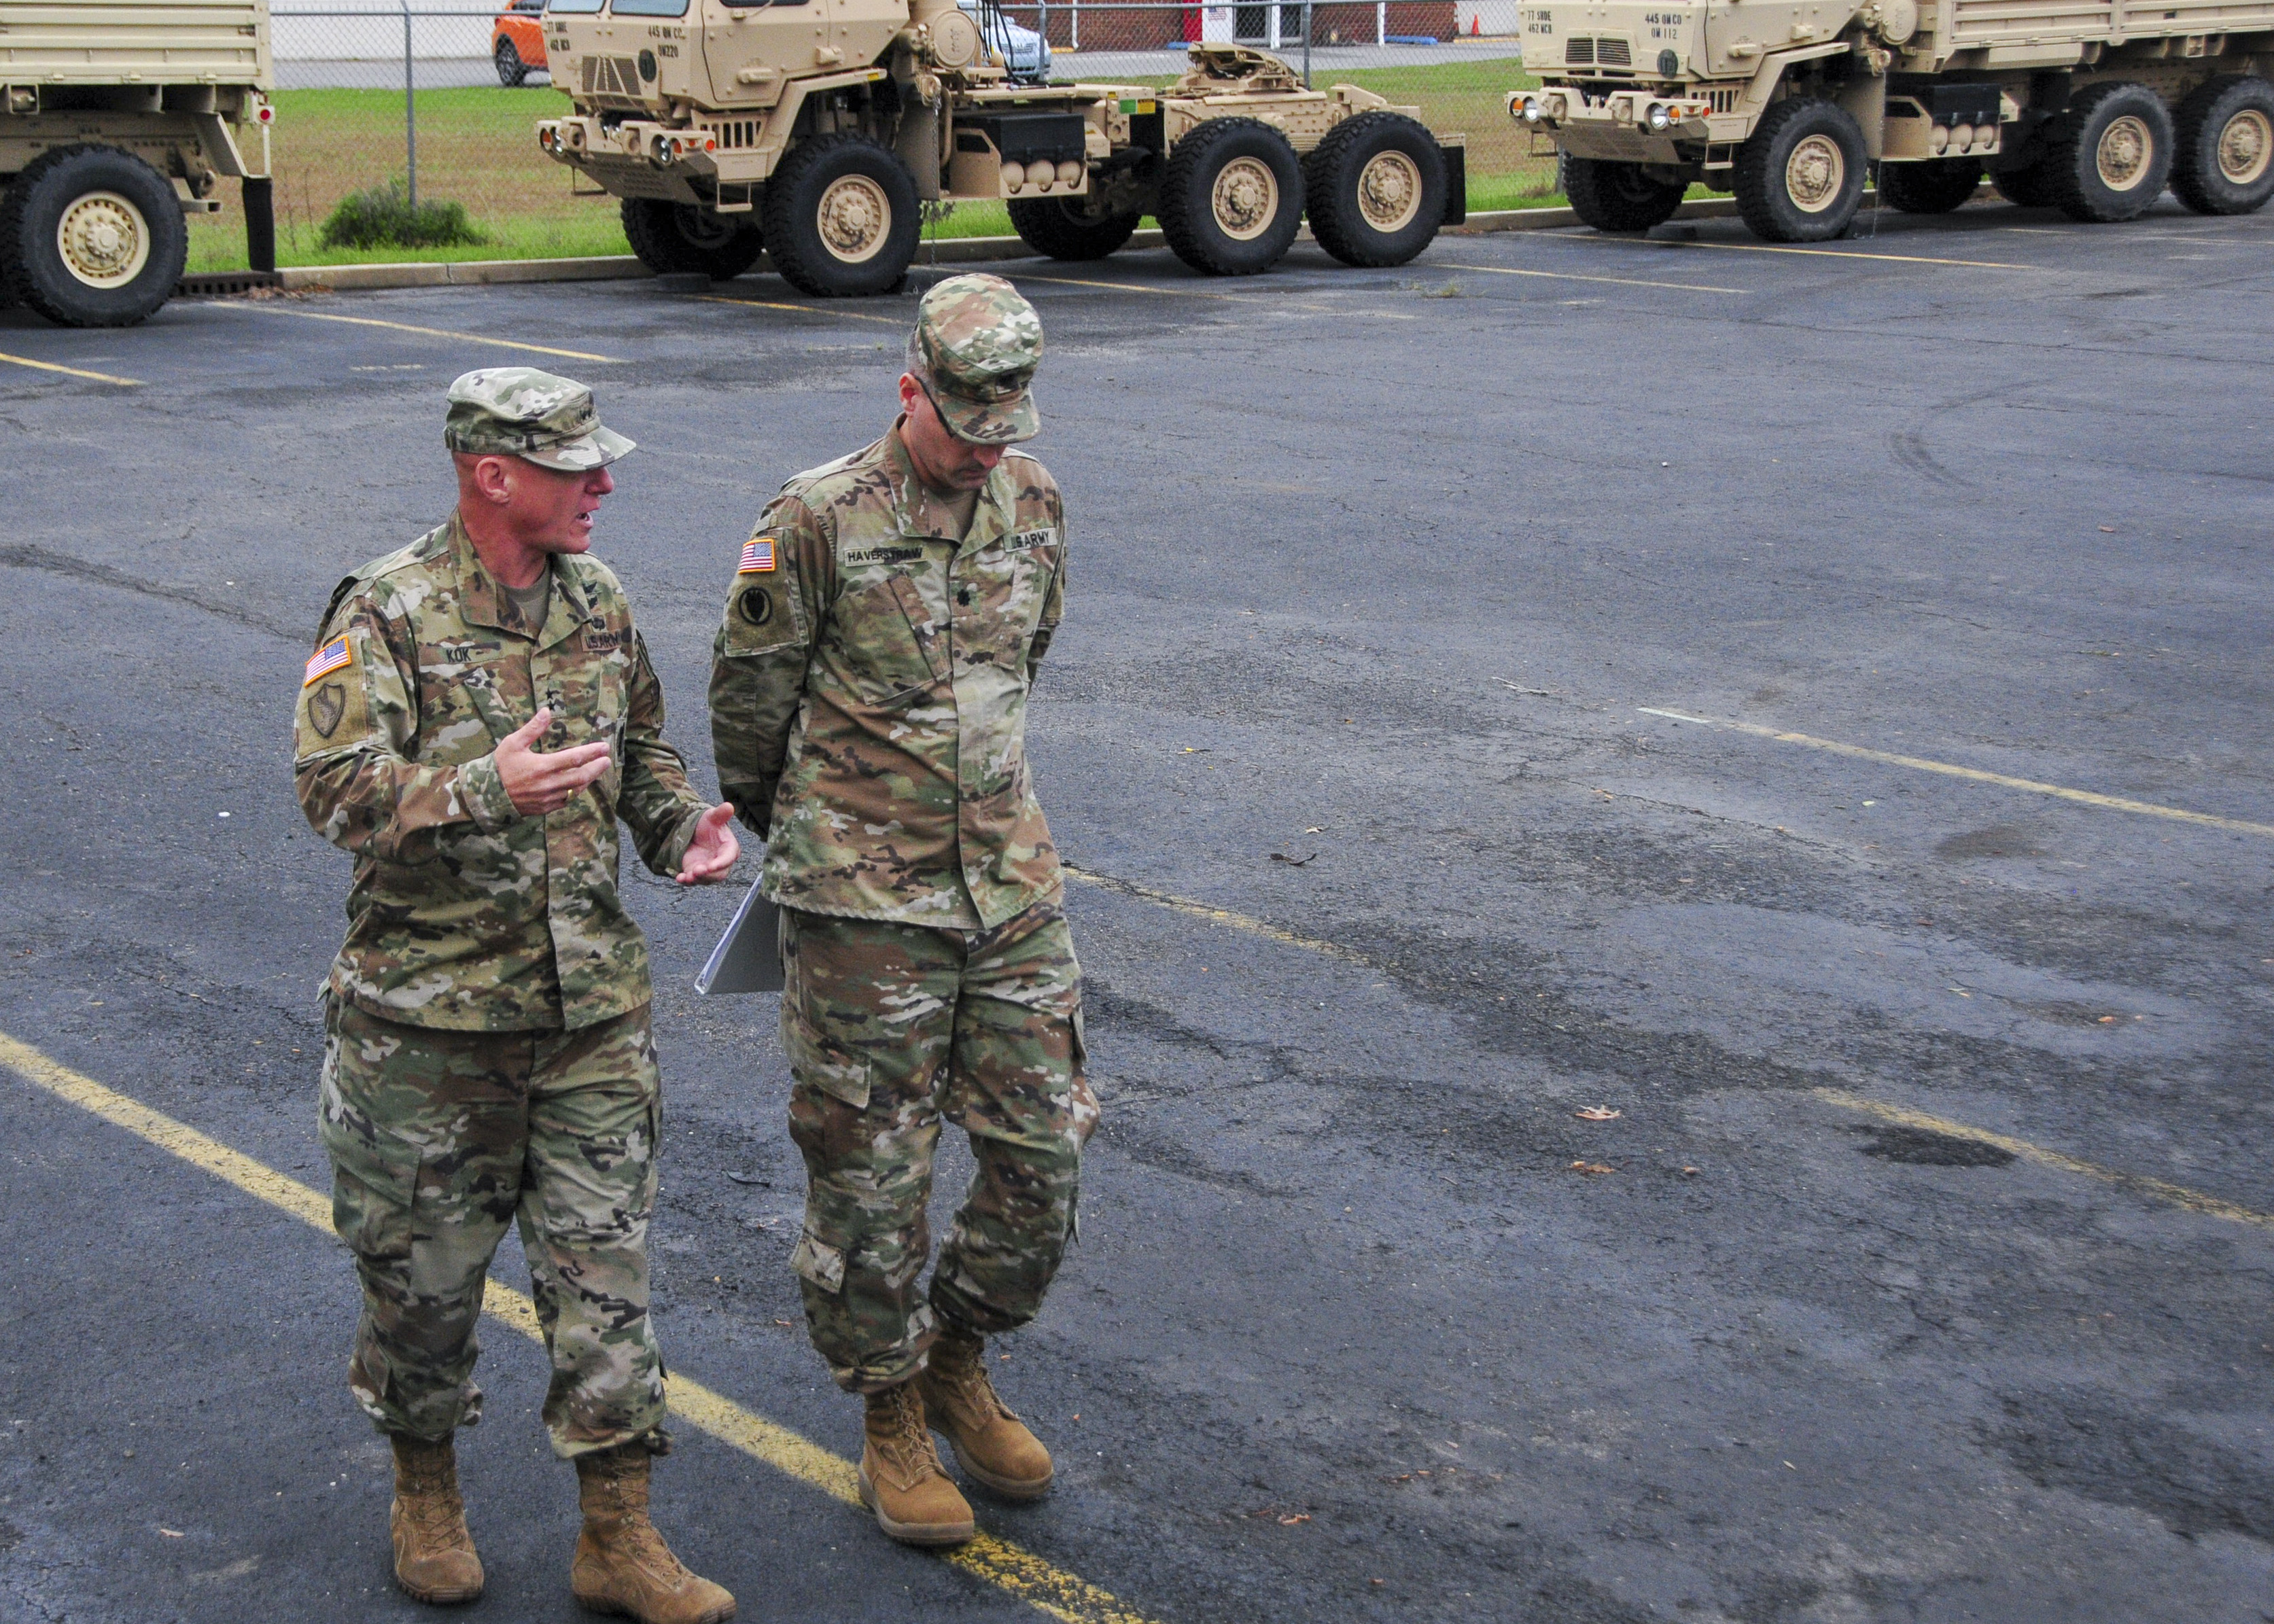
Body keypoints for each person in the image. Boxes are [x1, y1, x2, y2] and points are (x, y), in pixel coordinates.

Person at [293, 368, 739, 1624]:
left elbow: (640, 740)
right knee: (422, 1288)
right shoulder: (385, 609)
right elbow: (332, 790)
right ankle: (425, 1492)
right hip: (427, 1030)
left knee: (607, 1279)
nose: (604, 485)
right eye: (577, 465)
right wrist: (482, 784)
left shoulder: (596, 598)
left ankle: (619, 1533)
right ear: (495, 474)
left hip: (589, 1013)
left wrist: (675, 827)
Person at [708, 273, 1098, 1548]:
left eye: (1006, 422)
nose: (984, 445)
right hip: (864, 905)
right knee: (872, 1184)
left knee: (1044, 1158)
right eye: (962, 419)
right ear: (908, 388)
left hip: (1008, 885)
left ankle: (958, 1355)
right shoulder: (814, 517)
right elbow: (749, 716)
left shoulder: (1034, 501)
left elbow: (1025, 661)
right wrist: (827, 847)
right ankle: (886, 1415)